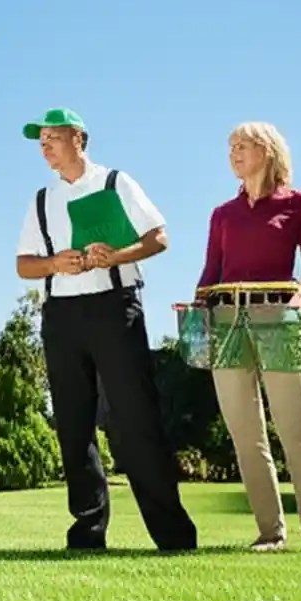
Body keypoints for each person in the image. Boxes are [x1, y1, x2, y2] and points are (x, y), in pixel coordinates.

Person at [14, 107, 198, 552]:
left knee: (137, 420)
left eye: (52, 138)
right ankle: (87, 533)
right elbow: (23, 265)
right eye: (40, 142)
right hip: (61, 315)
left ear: (79, 138)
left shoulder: (117, 182)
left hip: (115, 309)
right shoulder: (42, 199)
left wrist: (114, 256)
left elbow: (159, 236)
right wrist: (56, 263)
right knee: (74, 427)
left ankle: (172, 534)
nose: (45, 147)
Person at [195, 121, 301, 554]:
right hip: (226, 319)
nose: (233, 153)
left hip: (279, 315)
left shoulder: (298, 204)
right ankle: (270, 533)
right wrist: (197, 310)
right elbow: (211, 271)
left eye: (242, 145)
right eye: (229, 146)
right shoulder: (222, 214)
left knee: (295, 426)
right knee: (244, 431)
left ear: (267, 152)